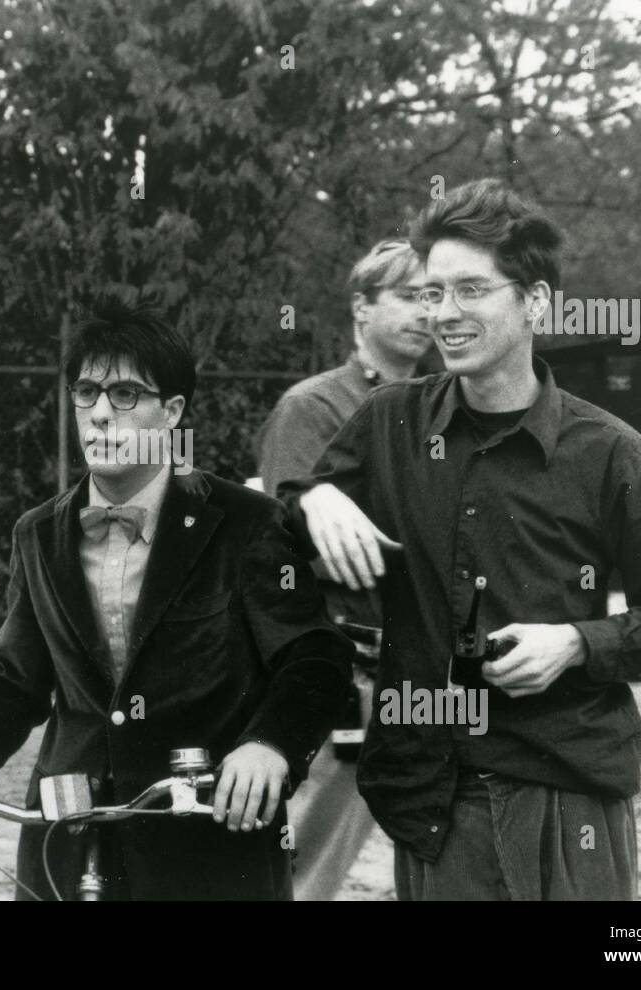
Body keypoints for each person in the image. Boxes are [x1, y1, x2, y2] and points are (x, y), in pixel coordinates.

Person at [279, 179, 641, 900]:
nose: (444, 315)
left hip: (565, 798)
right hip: (432, 801)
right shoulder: (387, 423)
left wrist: (578, 644)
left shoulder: (609, 453)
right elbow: (281, 551)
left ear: (536, 302)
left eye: (470, 290)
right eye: (431, 293)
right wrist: (312, 499)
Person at [0, 297, 354, 900]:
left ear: (173, 412)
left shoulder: (246, 522)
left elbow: (314, 656)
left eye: (126, 395)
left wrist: (269, 747)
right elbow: (12, 683)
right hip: (69, 838)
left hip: (208, 838)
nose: (101, 414)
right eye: (87, 393)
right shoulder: (39, 533)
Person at [255, 238, 431, 900]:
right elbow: (287, 538)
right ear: (362, 307)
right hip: (350, 681)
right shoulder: (313, 408)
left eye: (436, 297)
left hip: (441, 685)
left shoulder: (456, 410)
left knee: (456, 866)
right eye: (411, 295)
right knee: (294, 872)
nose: (427, 312)